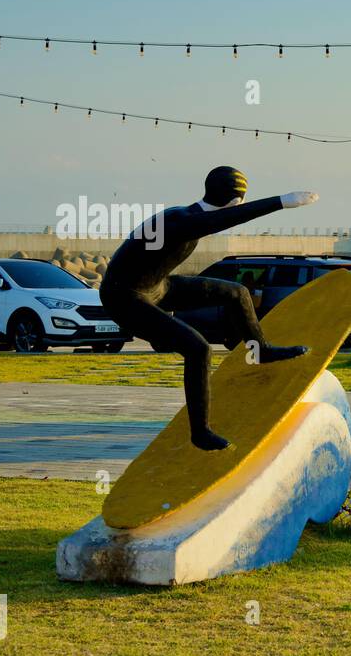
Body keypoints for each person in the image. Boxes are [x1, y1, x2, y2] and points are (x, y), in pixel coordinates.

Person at [101, 166, 318, 451]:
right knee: (198, 348)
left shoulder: (185, 215)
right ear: (235, 201)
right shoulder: (183, 221)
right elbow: (225, 220)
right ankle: (200, 432)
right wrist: (280, 201)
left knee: (237, 292)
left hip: (158, 287)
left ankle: (260, 350)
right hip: (125, 298)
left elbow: (220, 219)